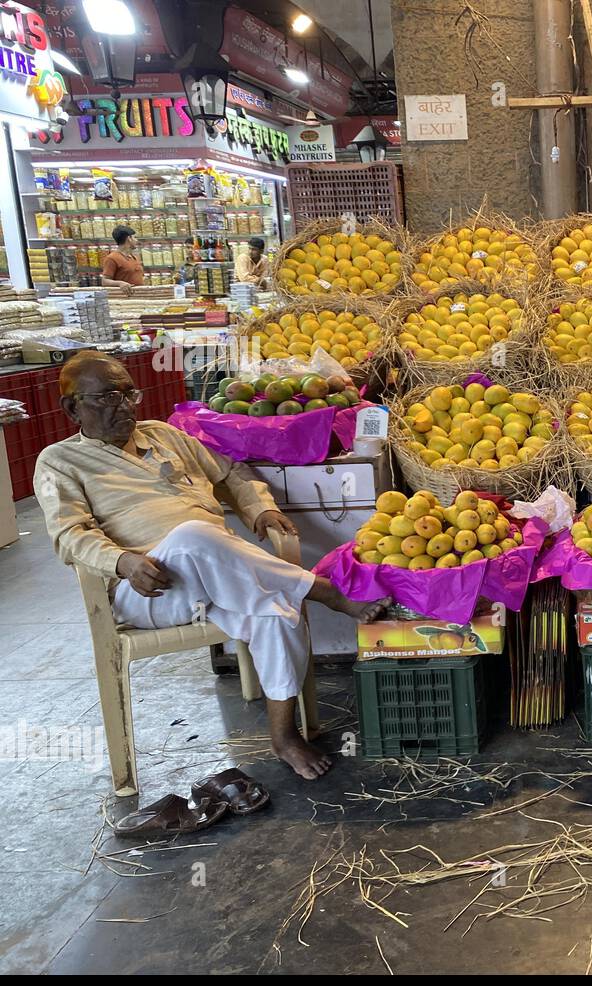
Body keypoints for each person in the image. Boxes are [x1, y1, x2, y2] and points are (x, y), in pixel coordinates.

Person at [34, 351, 392, 780]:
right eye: (107, 398)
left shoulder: (164, 435)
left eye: (129, 394)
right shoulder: (59, 461)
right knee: (194, 534)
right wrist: (122, 560)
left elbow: (231, 474)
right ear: (72, 407)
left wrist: (257, 508)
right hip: (149, 588)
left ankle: (284, 736)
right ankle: (321, 589)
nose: (125, 407)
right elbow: (69, 535)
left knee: (276, 610)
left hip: (214, 575)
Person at [101, 225, 143, 293]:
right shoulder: (112, 258)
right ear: (129, 238)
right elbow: (105, 281)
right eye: (134, 237)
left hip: (139, 297)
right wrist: (120, 283)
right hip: (124, 299)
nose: (136, 240)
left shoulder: (134, 257)